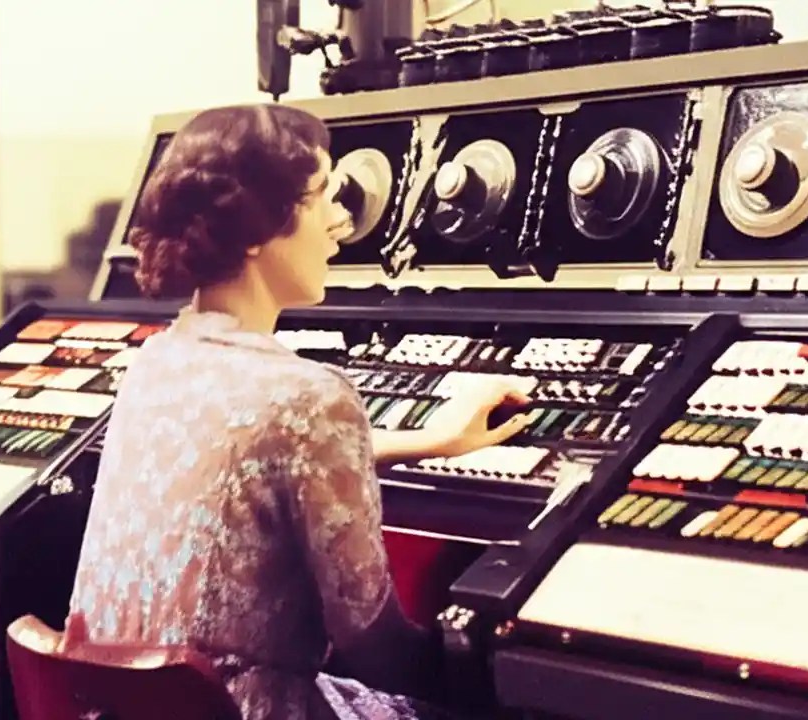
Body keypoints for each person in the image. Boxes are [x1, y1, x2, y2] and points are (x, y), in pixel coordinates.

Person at [66, 103, 532, 720]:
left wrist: (429, 440)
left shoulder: (155, 362)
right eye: (321, 198)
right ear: (257, 228)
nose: (341, 223)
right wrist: (493, 670)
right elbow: (375, 645)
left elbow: (249, 447)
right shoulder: (312, 395)